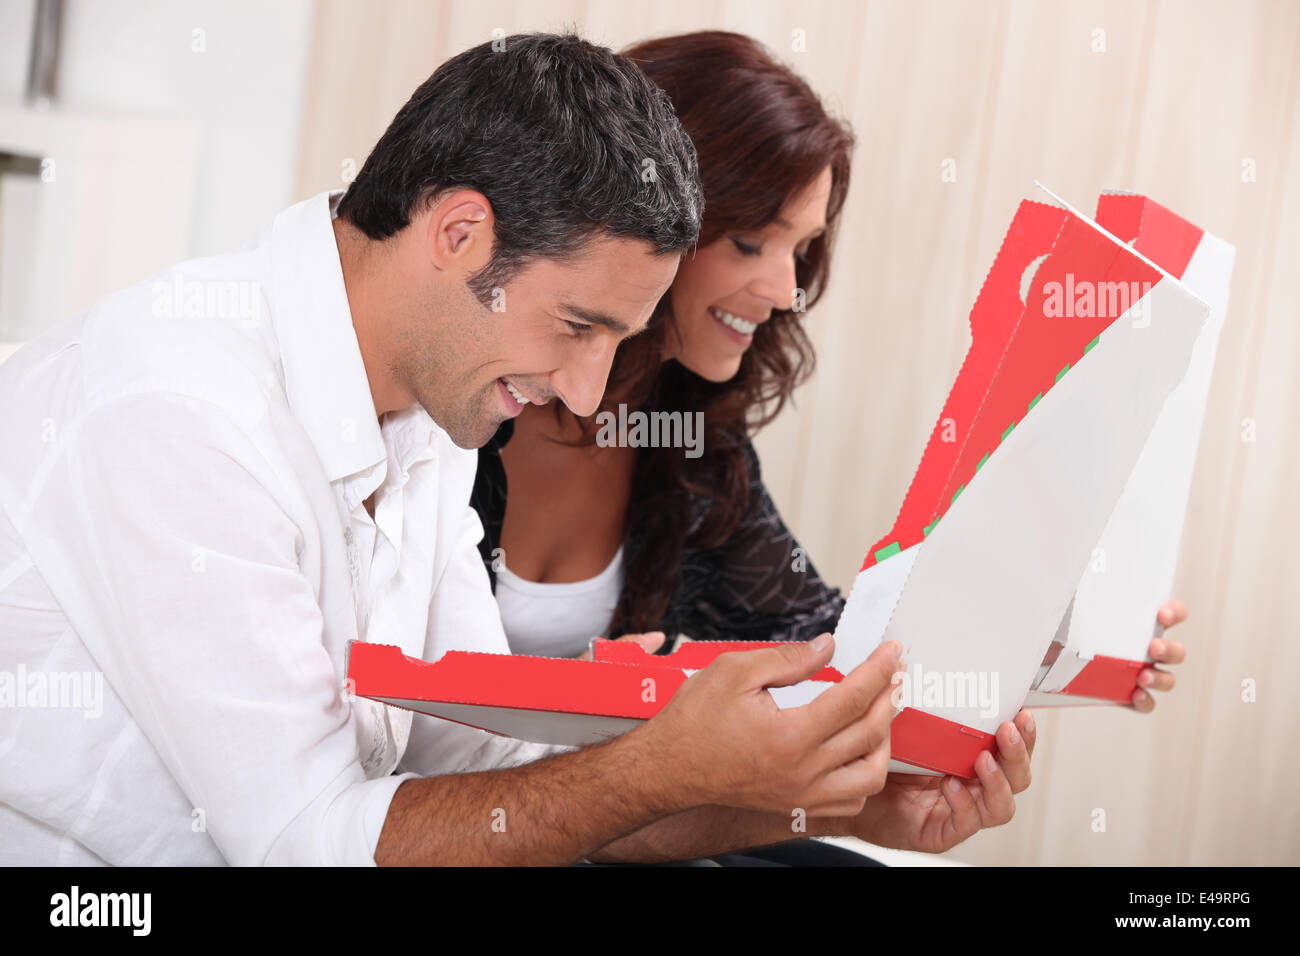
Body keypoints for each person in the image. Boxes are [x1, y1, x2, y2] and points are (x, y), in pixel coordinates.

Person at [0, 32, 1032, 867]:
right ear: (458, 234)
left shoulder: (433, 401)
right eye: (578, 326)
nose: (587, 390)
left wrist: (834, 805)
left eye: (619, 341)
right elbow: (307, 841)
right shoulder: (184, 406)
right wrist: (667, 767)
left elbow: (498, 778)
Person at [474, 31, 1188, 717]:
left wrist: (1043, 640)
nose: (788, 289)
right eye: (751, 241)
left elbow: (825, 645)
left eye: (802, 248)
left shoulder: (692, 445)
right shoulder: (468, 392)